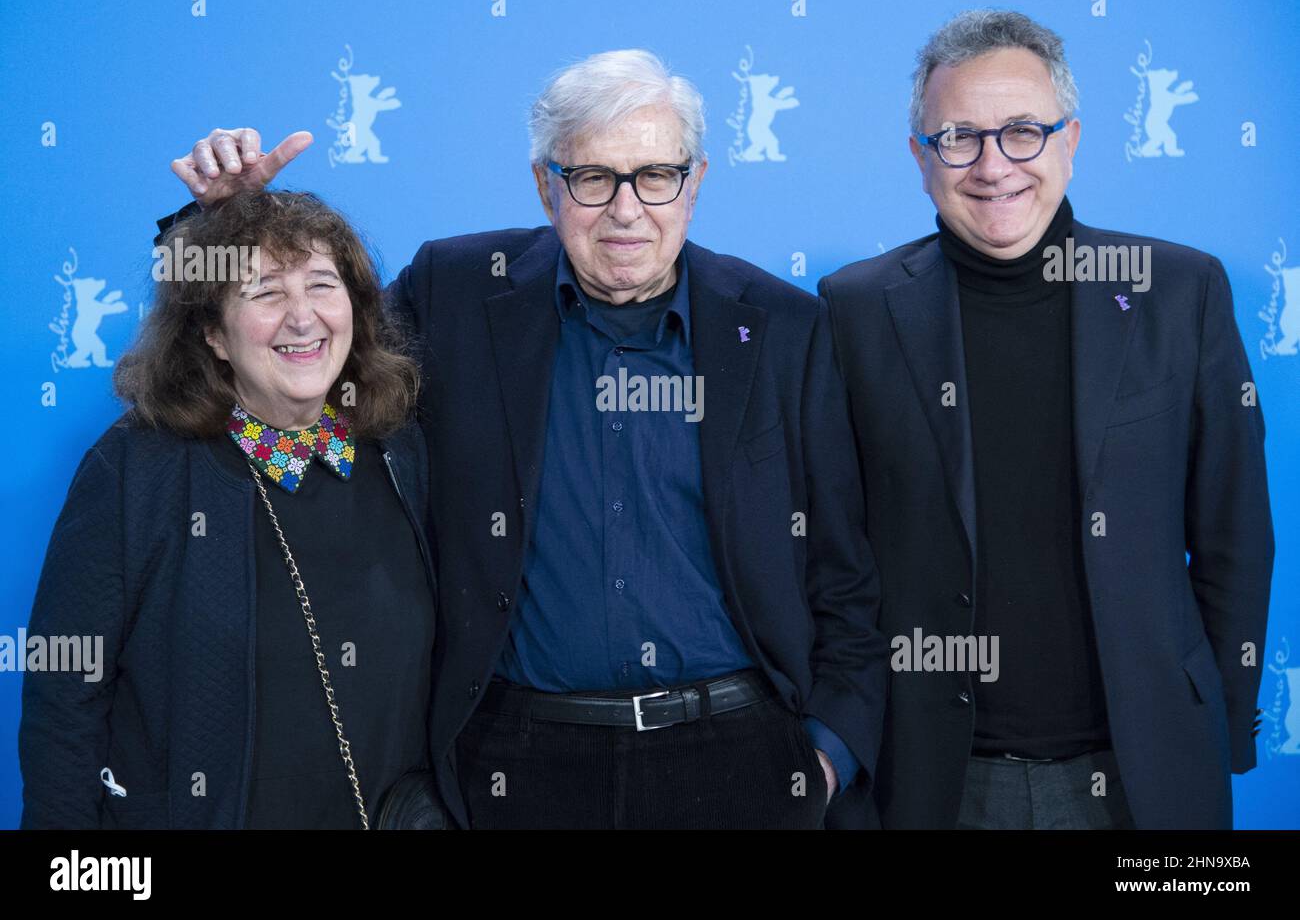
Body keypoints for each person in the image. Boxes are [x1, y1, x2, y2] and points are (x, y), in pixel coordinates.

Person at [164, 49, 887, 829]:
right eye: (592, 178)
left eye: (655, 175)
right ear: (546, 185)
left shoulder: (782, 326)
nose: (626, 210)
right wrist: (225, 227)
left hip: (739, 756)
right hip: (519, 763)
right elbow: (301, 341)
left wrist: (822, 760)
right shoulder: (457, 290)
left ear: (696, 181)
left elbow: (844, 575)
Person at [819, 10, 1273, 829]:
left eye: (1023, 132)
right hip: (932, 783)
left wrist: (1219, 731)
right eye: (959, 137)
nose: (994, 166)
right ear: (922, 160)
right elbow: (831, 559)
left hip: (1146, 773)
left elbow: (1235, 535)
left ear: (1070, 140)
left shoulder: (1180, 291)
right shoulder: (851, 311)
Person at [20, 191, 437, 829]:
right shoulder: (137, 469)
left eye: (322, 284)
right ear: (213, 333)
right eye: (265, 292)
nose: (303, 318)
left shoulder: (400, 450)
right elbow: (65, 700)